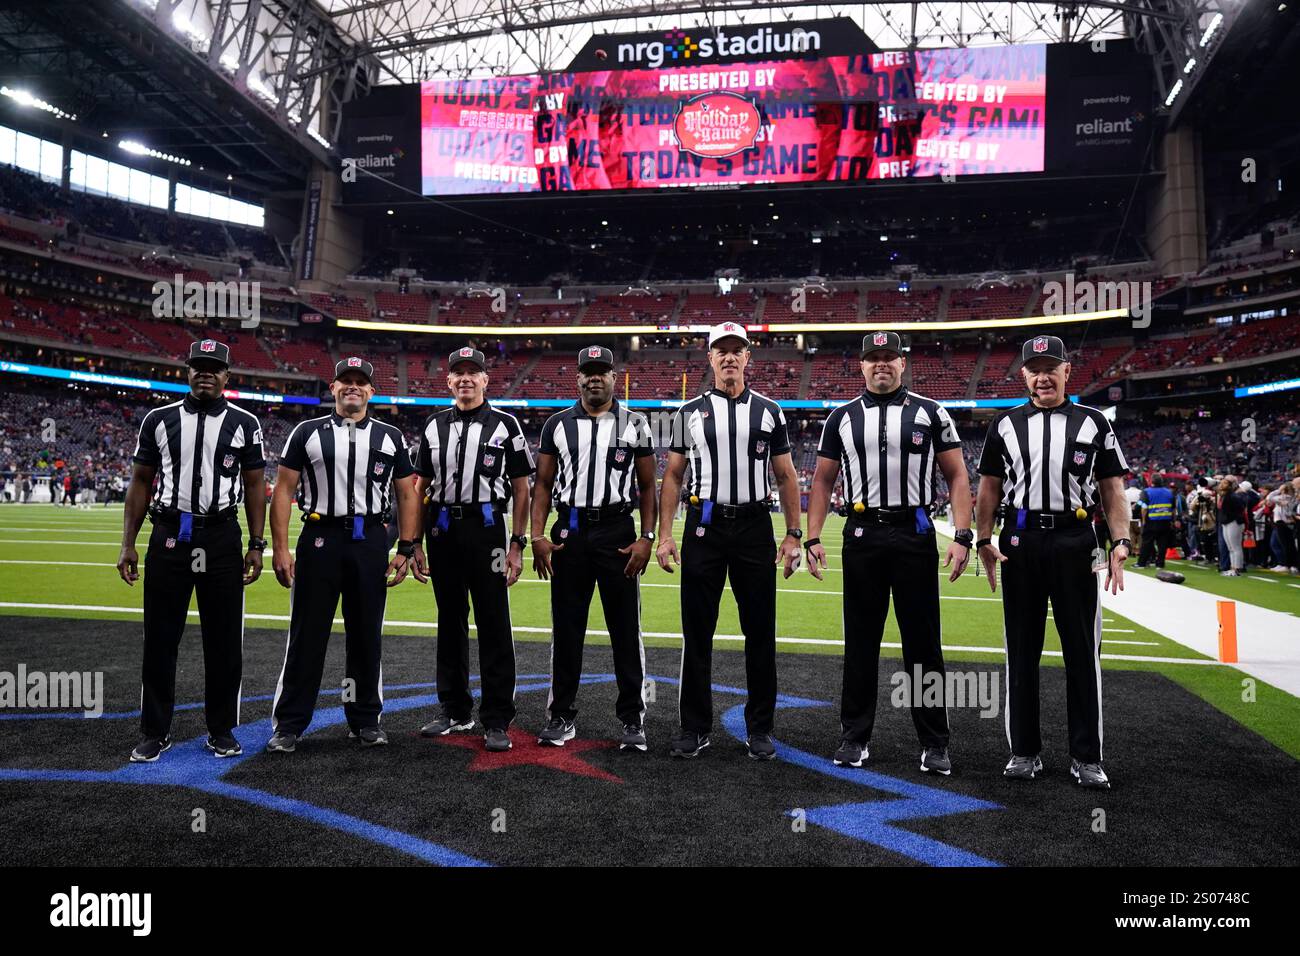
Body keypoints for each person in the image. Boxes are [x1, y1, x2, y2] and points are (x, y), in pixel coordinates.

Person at [806, 331, 973, 773]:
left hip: (914, 533)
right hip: (862, 536)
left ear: (903, 363)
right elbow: (822, 481)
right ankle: (854, 737)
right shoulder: (841, 417)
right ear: (861, 366)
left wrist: (961, 535)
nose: (881, 364)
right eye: (872, 358)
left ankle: (935, 742)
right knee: (861, 642)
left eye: (889, 357)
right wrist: (813, 536)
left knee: (923, 644)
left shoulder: (931, 412)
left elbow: (957, 476)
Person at [975, 334, 1132, 790]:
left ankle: (1087, 756)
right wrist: (984, 538)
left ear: (1068, 370)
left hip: (1077, 540)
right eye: (1034, 368)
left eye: (1051, 367)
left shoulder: (1095, 422)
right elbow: (988, 486)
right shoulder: (1004, 425)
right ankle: (1024, 752)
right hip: (1021, 541)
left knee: (1083, 651)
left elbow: (1112, 489)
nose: (1043, 375)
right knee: (1021, 651)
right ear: (1024, 374)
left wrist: (1119, 540)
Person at [655, 321, 803, 760]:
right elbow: (674, 475)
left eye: (736, 350)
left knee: (760, 631)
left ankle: (760, 728)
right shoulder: (688, 412)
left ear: (747, 358)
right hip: (704, 525)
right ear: (710, 358)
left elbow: (786, 475)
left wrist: (794, 534)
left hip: (755, 527)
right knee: (697, 631)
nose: (729, 357)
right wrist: (665, 534)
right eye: (721, 350)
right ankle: (694, 726)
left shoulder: (770, 411)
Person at [117, 339, 267, 762]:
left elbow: (256, 485)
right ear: (186, 371)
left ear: (226, 376)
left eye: (213, 367)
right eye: (198, 366)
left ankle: (220, 729)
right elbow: (141, 482)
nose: (205, 373)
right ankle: (154, 730)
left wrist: (257, 545)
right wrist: (127, 544)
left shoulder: (244, 422)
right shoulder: (159, 419)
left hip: (220, 536)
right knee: (161, 638)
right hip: (168, 534)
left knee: (223, 641)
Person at [266, 356, 421, 753]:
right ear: (333, 388)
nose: (353, 386)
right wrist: (280, 548)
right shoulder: (307, 431)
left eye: (360, 382)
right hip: (319, 538)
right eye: (345, 381)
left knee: (366, 635)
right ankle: (290, 724)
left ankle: (365, 719)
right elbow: (283, 490)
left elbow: (406, 493)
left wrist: (405, 547)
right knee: (306, 634)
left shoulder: (390, 436)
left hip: (370, 540)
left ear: (372, 391)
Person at [531, 346, 657, 751]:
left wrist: (647, 537)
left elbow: (648, 486)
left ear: (614, 377)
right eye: (588, 371)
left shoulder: (635, 423)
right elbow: (544, 486)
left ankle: (632, 718)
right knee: (567, 630)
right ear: (578, 378)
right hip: (569, 530)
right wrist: (536, 536)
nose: (595, 378)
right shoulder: (557, 424)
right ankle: (561, 714)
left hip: (618, 530)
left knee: (625, 629)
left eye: (602, 371)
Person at [411, 347, 534, 753]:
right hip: (443, 529)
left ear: (486, 379)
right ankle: (454, 708)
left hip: (486, 530)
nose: (465, 379)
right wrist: (412, 542)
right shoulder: (432, 426)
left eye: (473, 373)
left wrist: (517, 544)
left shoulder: (505, 424)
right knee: (450, 621)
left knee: (494, 621)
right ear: (448, 381)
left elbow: (521, 489)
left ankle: (496, 716)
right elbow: (419, 488)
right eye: (458, 373)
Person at [1135, 474, 1175, 568]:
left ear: (1151, 481)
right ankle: (1160, 564)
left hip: (1151, 521)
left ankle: (1142, 563)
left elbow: (1144, 508)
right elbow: (1173, 509)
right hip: (1165, 522)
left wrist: (1144, 521)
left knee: (1147, 543)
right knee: (1162, 544)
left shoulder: (1147, 492)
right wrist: (1173, 520)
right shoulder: (1169, 492)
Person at [1218, 478, 1247, 576]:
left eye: (1225, 483)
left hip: (1233, 521)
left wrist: (1233, 516)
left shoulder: (1233, 496)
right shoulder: (1224, 496)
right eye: (1221, 483)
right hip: (1226, 521)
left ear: (1230, 486)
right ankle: (1232, 567)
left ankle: (1237, 568)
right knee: (1230, 547)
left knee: (1236, 546)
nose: (1222, 484)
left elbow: (1241, 507)